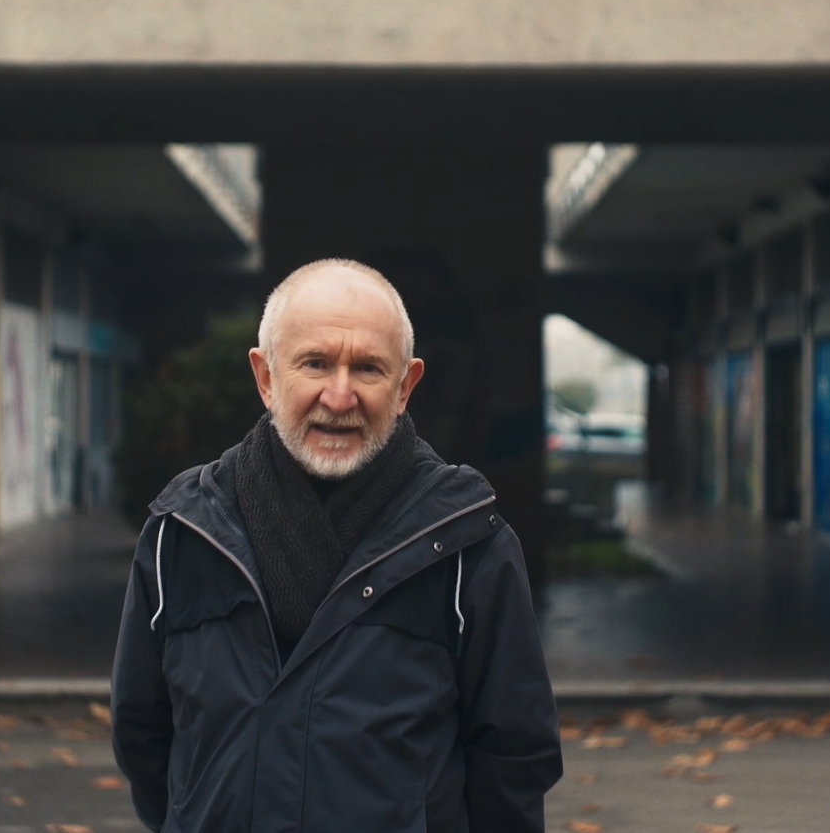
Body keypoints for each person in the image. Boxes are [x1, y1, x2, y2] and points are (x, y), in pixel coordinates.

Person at [111, 259, 563, 833]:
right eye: (316, 363)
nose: (340, 394)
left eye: (369, 368)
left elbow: (514, 757)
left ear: (406, 386)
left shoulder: (470, 547)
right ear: (266, 377)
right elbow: (144, 736)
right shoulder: (180, 535)